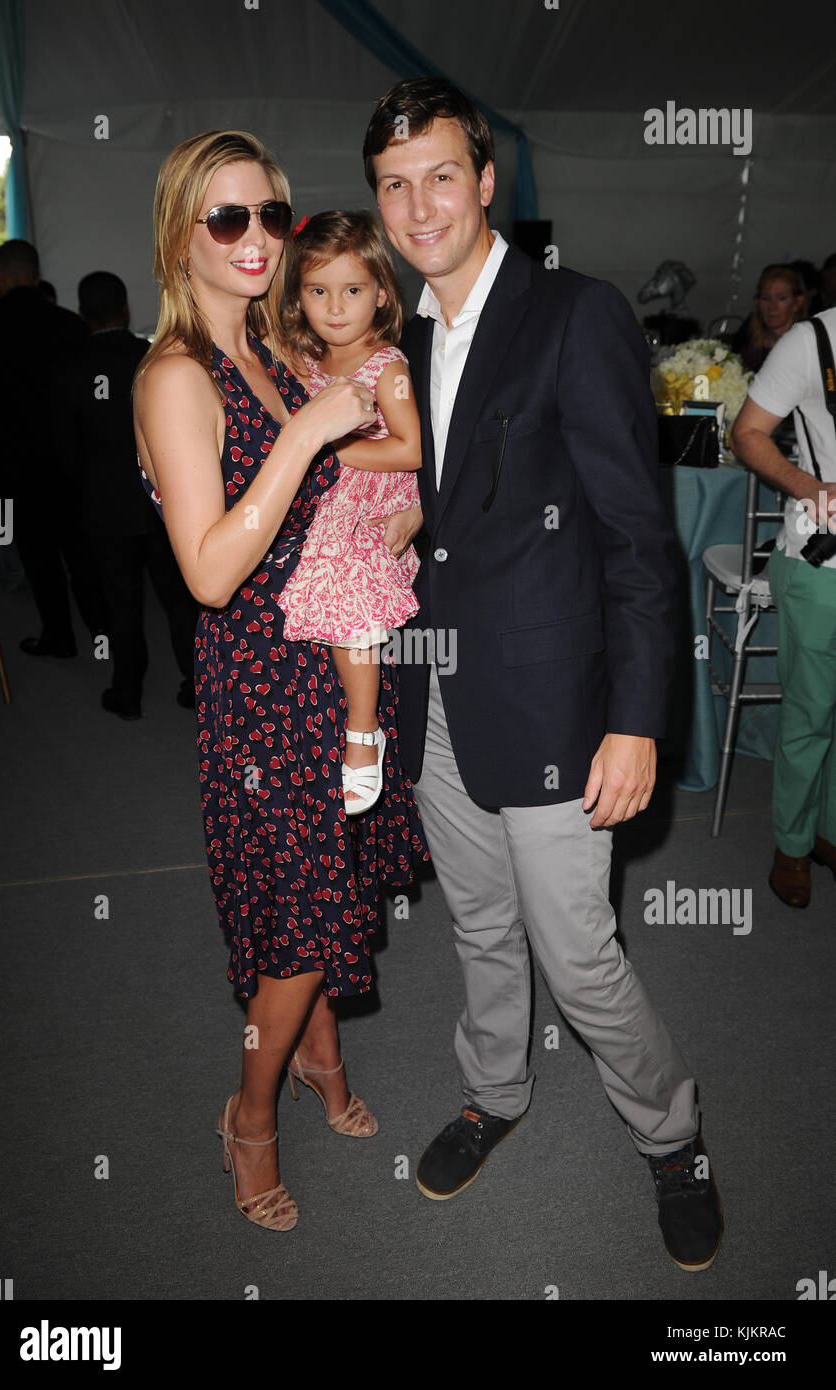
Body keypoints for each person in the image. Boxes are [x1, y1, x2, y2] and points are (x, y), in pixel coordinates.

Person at [363, 77, 723, 1272]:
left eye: (439, 176)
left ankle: (671, 1138)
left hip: (557, 699)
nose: (418, 205)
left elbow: (635, 537)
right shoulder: (400, 342)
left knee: (575, 949)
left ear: (484, 181)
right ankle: (495, 1090)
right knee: (476, 923)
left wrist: (636, 720)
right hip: (433, 691)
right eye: (393, 184)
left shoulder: (576, 312)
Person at [132, 130, 428, 1232]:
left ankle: (319, 1057)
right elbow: (209, 574)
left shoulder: (272, 344)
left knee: (324, 889)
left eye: (271, 215)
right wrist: (305, 433)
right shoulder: (177, 375)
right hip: (261, 678)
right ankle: (249, 1115)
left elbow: (361, 489)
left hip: (327, 654)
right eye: (227, 218)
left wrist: (399, 518)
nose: (256, 237)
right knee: (302, 919)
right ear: (181, 236)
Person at [276, 210, 421, 813]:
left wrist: (329, 446)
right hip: (327, 497)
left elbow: (411, 449)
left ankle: (364, 731)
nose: (335, 308)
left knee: (349, 603)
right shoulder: (305, 359)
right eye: (318, 291)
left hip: (372, 499)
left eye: (353, 291)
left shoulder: (387, 365)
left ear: (382, 293)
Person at [51, 270, 198, 719]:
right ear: (126, 309)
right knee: (178, 598)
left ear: (82, 313)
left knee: (121, 602)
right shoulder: (155, 358)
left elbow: (66, 454)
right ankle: (196, 684)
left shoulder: (70, 368)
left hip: (104, 508)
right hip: (161, 501)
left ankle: (127, 691)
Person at [731, 308, 836, 909]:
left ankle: (827, 831)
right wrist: (810, 488)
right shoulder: (812, 340)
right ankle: (793, 844)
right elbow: (746, 432)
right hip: (823, 563)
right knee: (811, 712)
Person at [0, 238, 108, 655]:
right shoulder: (69, 325)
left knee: (37, 553)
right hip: (68, 460)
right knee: (80, 550)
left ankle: (59, 636)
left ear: (0, 276)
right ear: (37, 276)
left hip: (12, 461)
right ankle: (103, 634)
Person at [732, 264, 806, 373]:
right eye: (765, 299)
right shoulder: (749, 344)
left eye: (782, 298)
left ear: (797, 303)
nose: (772, 307)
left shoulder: (807, 346)